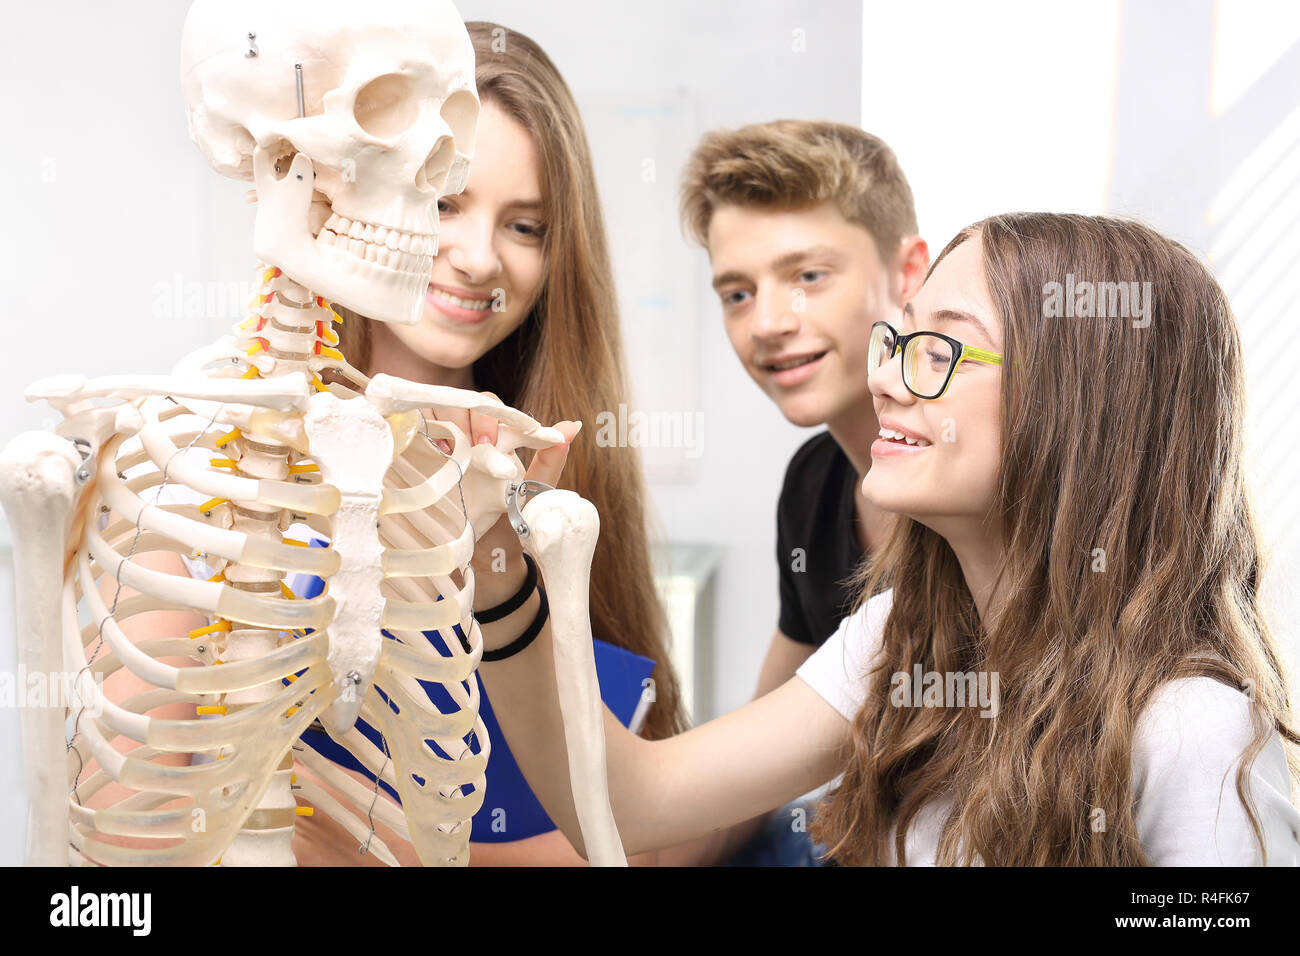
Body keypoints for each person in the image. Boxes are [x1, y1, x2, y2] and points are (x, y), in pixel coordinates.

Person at [470, 212, 1300, 865]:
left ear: (1084, 402)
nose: (882, 376)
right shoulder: (897, 638)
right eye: (898, 338)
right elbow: (627, 801)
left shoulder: (1192, 732)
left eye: (939, 347)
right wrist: (498, 568)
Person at [292, 21, 688, 865]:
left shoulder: (549, 477)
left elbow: (642, 831)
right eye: (445, 203)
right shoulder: (236, 460)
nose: (479, 259)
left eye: (527, 227)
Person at [674, 120, 929, 861]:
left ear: (908, 270)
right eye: (737, 293)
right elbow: (758, 756)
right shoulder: (814, 484)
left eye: (808, 277)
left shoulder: (979, 484)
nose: (768, 325)